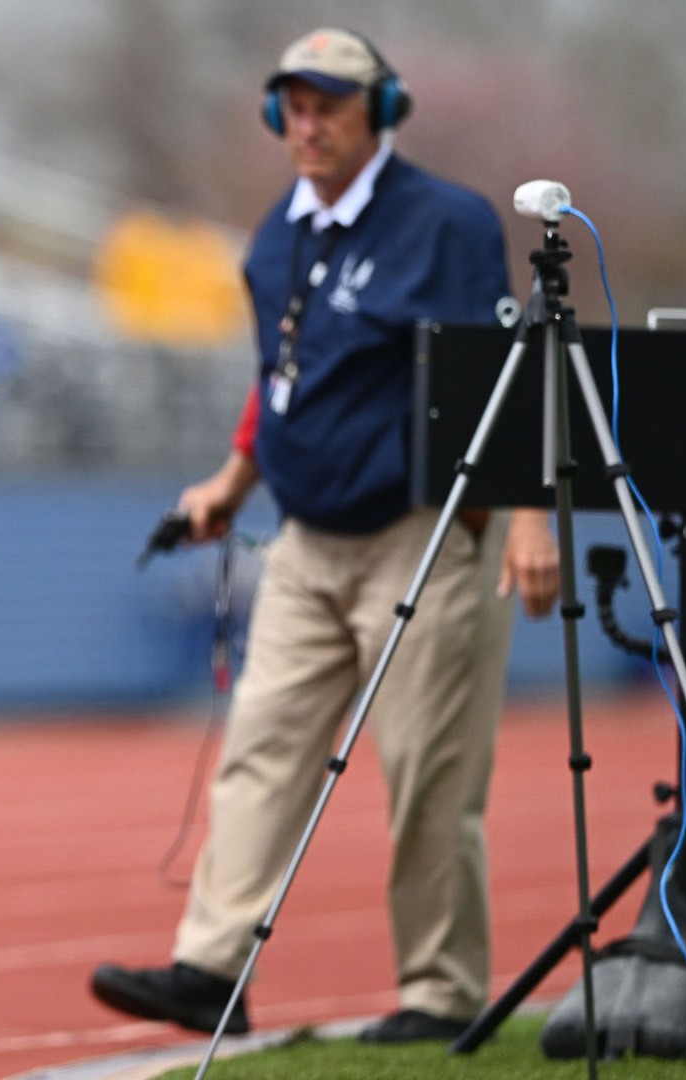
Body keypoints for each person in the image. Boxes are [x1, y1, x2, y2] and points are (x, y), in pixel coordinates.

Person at [88, 27, 559, 1045]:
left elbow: (504, 373)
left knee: (428, 770)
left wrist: (528, 514)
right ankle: (212, 967)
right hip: (304, 537)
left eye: (329, 103)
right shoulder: (276, 235)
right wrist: (229, 479)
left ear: (380, 112)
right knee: (259, 749)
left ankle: (439, 990)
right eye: (292, 105)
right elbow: (281, 382)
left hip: (424, 533)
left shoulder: (446, 224)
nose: (307, 123)